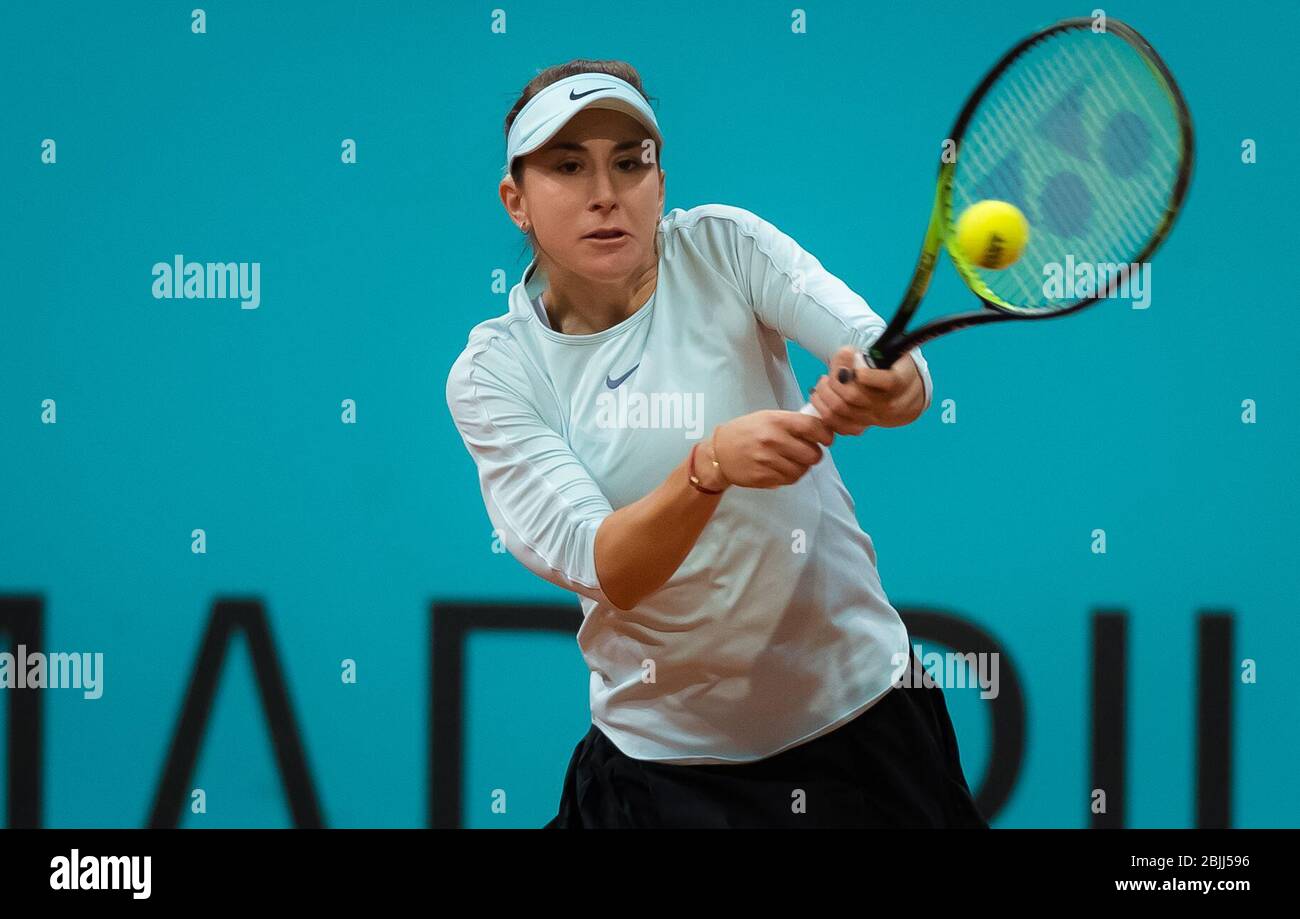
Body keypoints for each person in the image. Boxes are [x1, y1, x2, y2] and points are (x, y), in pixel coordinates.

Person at [445, 59, 988, 828]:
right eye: (568, 166)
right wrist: (708, 468)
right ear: (515, 201)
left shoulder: (723, 248)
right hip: (665, 777)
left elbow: (891, 364)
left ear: (660, 183)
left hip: (866, 731)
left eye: (631, 164)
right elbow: (608, 564)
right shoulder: (496, 374)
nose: (606, 193)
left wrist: (879, 384)